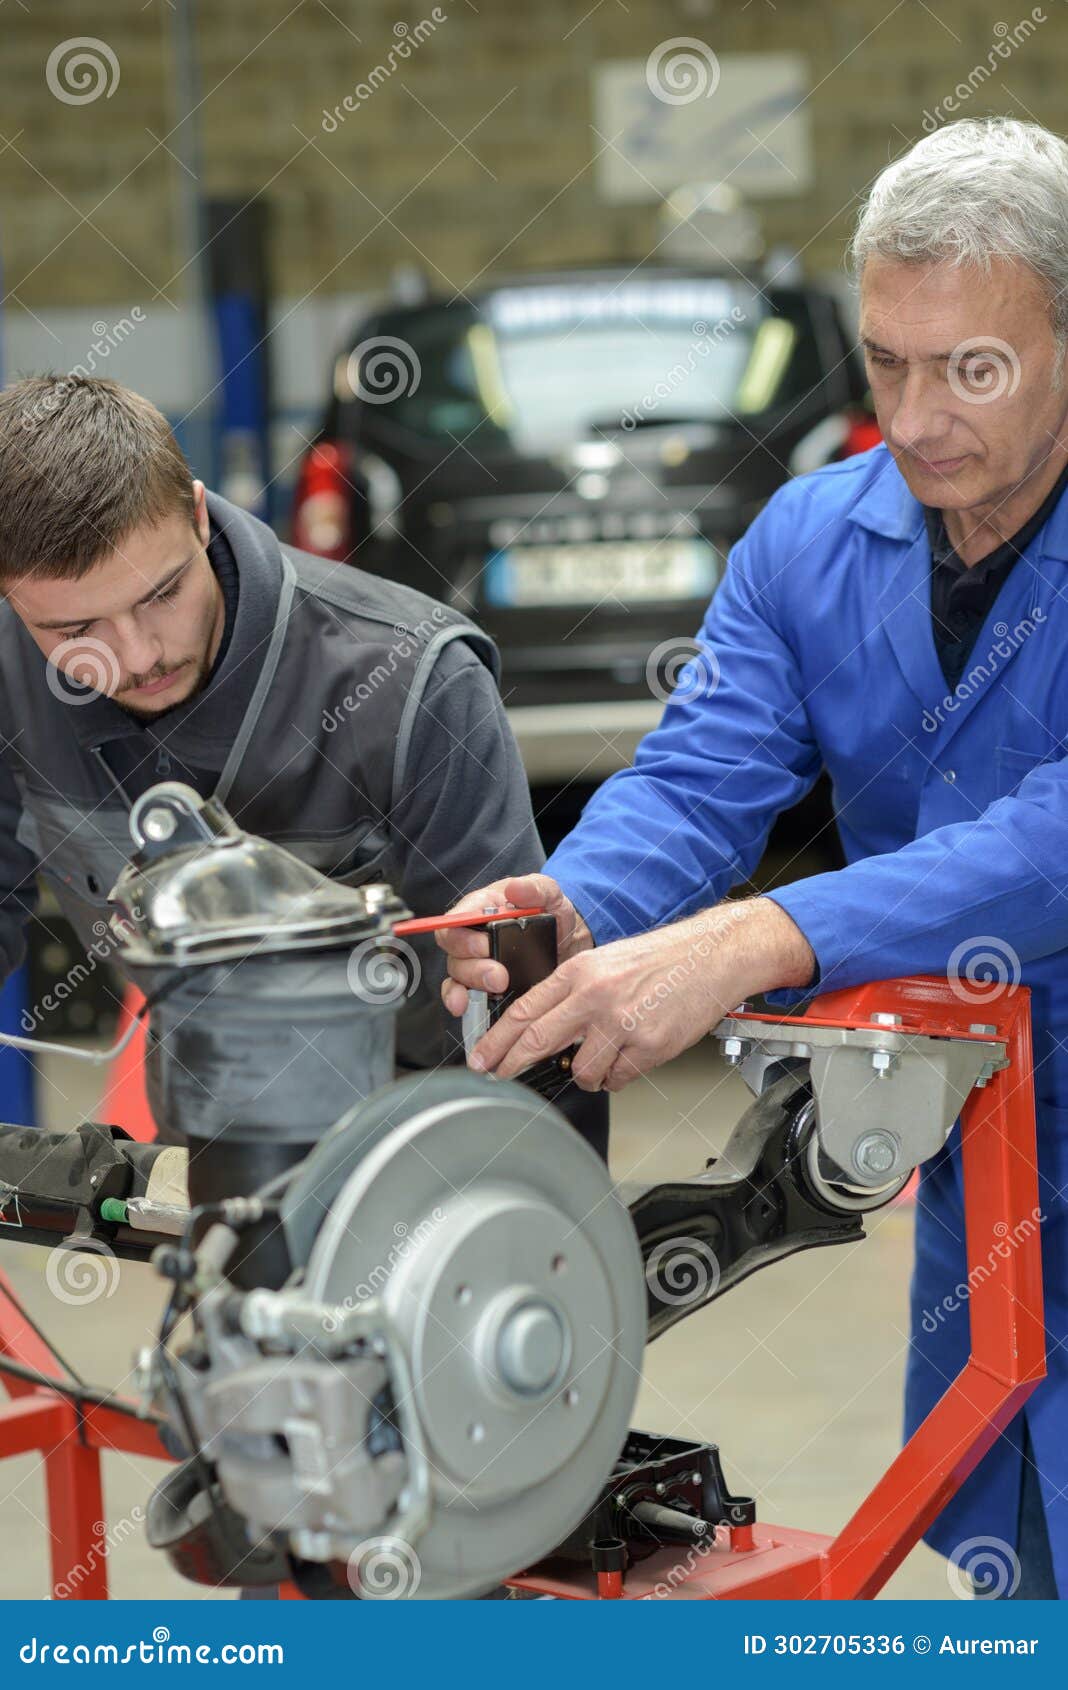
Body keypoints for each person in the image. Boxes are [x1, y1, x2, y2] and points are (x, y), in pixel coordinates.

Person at [439, 118, 1068, 1599]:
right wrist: (579, 900)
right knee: (1004, 1558)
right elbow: (698, 780)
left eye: (970, 366)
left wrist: (755, 938)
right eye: (887, 361)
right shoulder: (808, 540)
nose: (915, 416)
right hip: (983, 1154)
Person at [0, 373, 544, 1136]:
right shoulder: (8, 677)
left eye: (161, 594)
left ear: (195, 512)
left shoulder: (415, 685)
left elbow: (532, 1015)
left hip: (433, 1147)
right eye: (75, 630)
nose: (136, 655)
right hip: (206, 1147)